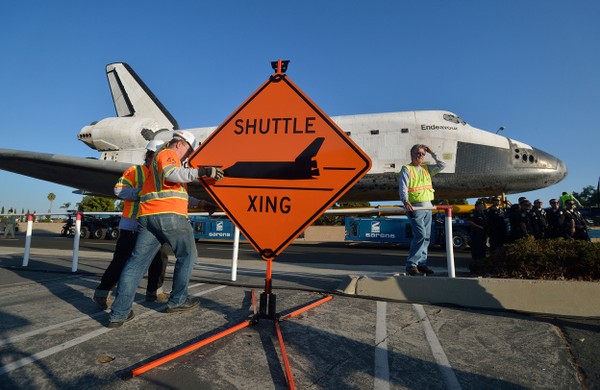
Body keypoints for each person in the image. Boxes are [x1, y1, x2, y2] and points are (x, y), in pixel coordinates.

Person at [108, 131, 223, 327]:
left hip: (148, 218)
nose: (188, 155)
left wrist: (203, 204)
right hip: (171, 217)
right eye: (188, 149)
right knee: (187, 256)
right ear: (181, 144)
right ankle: (178, 300)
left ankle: (119, 313)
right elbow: (173, 175)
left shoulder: (155, 170)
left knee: (136, 264)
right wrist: (202, 172)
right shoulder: (168, 154)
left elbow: (175, 194)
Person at [93, 140, 170, 310]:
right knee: (122, 259)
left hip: (156, 224)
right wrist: (141, 193)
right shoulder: (135, 171)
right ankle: (102, 292)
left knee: (160, 258)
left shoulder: (162, 174)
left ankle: (155, 292)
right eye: (158, 156)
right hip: (132, 224)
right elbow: (119, 190)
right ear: (150, 155)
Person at [399, 144, 445, 276]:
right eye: (418, 153)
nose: (420, 155)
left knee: (427, 237)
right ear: (412, 154)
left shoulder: (426, 169)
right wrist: (405, 200)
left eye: (423, 154)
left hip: (428, 207)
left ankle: (421, 264)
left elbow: (442, 165)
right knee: (420, 235)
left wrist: (432, 152)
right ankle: (411, 264)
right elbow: (403, 186)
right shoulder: (407, 169)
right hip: (416, 207)